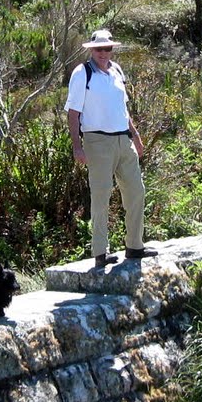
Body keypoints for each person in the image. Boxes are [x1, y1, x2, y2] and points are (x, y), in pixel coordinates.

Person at [65, 29, 155, 266]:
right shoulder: (82, 73)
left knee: (136, 191)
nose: (103, 53)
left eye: (107, 48)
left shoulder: (116, 70)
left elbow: (122, 109)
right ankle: (100, 253)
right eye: (99, 49)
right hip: (97, 141)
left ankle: (135, 246)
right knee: (101, 195)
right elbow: (73, 113)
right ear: (91, 50)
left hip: (122, 140)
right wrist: (77, 146)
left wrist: (135, 136)